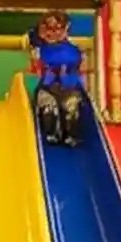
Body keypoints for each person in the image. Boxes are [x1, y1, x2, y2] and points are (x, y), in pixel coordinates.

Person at [28, 10, 87, 146]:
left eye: (57, 29)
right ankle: (51, 133)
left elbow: (72, 61)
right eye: (47, 28)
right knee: (48, 107)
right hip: (48, 88)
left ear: (65, 29)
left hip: (69, 88)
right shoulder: (41, 48)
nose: (52, 33)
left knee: (71, 107)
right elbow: (32, 40)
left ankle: (71, 135)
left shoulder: (72, 50)